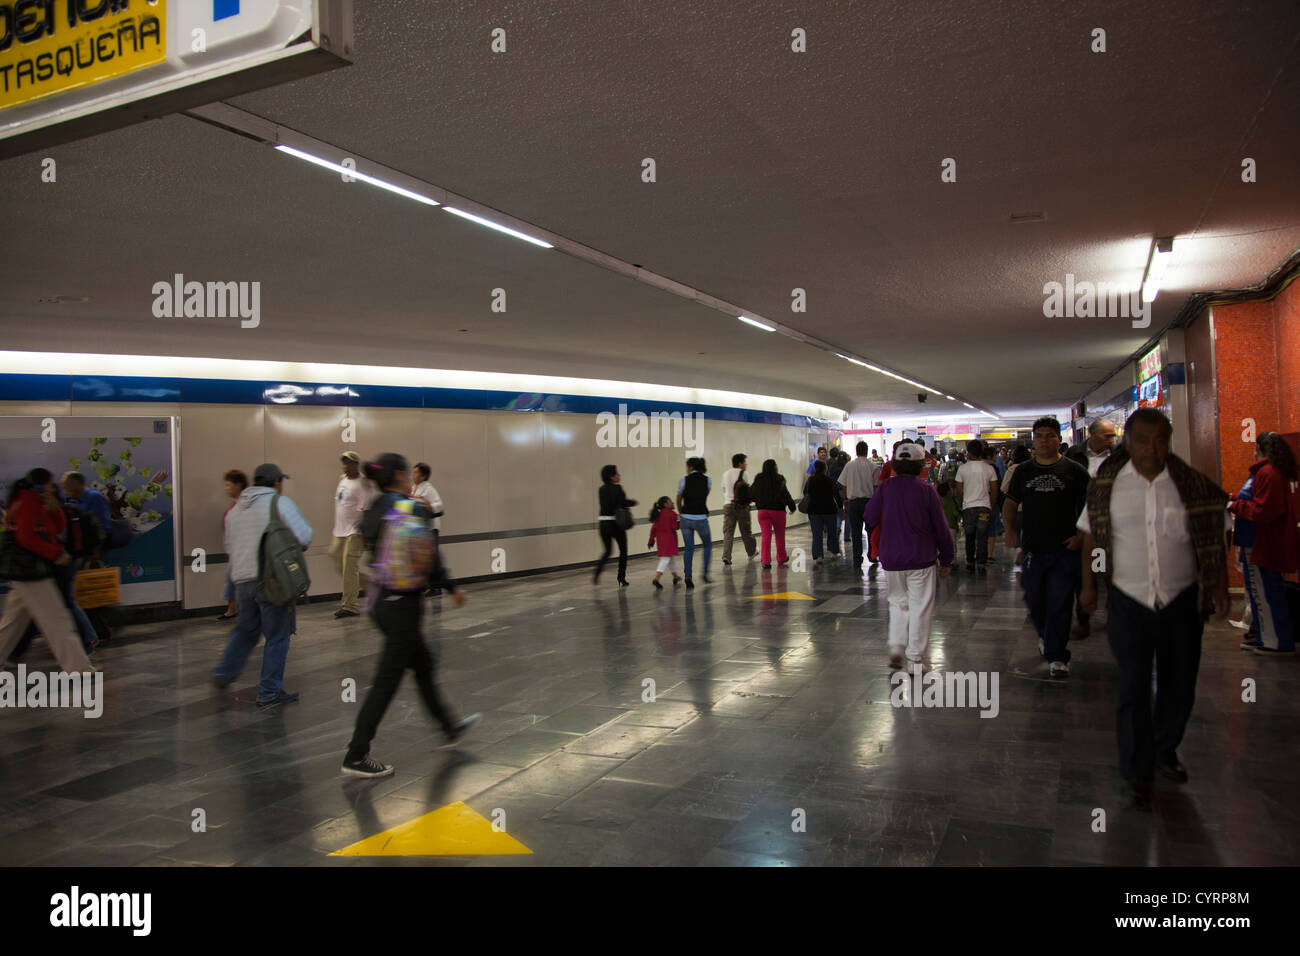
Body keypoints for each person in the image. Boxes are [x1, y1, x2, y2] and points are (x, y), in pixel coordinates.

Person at [1078, 409, 1229, 805]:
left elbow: (1212, 536)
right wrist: (1090, 586)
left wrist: (1220, 587)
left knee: (1180, 683)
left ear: (1169, 440)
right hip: (1129, 599)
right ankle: (1135, 766)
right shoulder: (1106, 486)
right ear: (1128, 441)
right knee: (1133, 684)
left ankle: (1165, 748)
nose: (1152, 448)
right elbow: (1092, 538)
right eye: (1143, 440)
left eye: (1160, 440)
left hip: (1182, 600)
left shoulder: (1190, 485)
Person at [341, 453, 480, 777]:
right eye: (406, 473)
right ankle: (356, 754)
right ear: (401, 476)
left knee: (423, 665)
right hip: (404, 606)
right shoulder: (410, 508)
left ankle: (450, 727)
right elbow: (428, 554)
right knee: (385, 683)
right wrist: (451, 587)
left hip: (381, 603)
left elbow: (369, 541)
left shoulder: (375, 507)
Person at [213, 463, 312, 707]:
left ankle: (224, 673)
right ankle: (269, 691)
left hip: (242, 582)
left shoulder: (236, 509)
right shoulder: (279, 503)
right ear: (277, 482)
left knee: (246, 631)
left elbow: (229, 547)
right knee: (278, 636)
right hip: (272, 581)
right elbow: (305, 536)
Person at [1002, 418, 1090, 678]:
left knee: (1060, 601)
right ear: (1033, 440)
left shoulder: (1074, 471)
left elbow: (1092, 506)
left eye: (1050, 436)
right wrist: (1009, 530)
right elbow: (1010, 503)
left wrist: (1081, 536)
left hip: (1065, 548)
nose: (1044, 441)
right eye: (1039, 436)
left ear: (1059, 439)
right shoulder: (1024, 471)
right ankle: (1047, 637)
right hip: (1033, 549)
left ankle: (1057, 655)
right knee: (1035, 600)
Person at [864, 443, 954, 668]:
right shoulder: (926, 490)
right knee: (920, 606)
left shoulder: (885, 488)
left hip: (892, 558)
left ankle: (896, 647)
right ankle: (914, 658)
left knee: (897, 603)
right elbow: (941, 527)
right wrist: (947, 558)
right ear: (919, 464)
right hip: (920, 558)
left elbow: (870, 516)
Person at [0, 469, 96, 673]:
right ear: (39, 484)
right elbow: (26, 538)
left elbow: (57, 529)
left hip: (29, 571)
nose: (53, 487)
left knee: (12, 623)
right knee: (56, 619)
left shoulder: (34, 502)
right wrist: (55, 553)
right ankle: (78, 668)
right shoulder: (27, 504)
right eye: (49, 483)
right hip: (32, 571)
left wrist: (54, 508)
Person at [1228, 432, 1299, 655]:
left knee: (1265, 592)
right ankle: (1265, 636)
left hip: (1262, 540)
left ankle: (1275, 641)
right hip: (1260, 540)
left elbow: (1263, 510)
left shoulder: (1268, 473)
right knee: (1261, 591)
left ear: (1259, 447)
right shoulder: (1273, 471)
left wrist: (1235, 506)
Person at [330, 451, 371, 619]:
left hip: (355, 532)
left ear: (356, 465)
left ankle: (350, 605)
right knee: (337, 560)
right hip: (339, 531)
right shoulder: (342, 479)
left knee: (349, 567)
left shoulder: (363, 484)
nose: (346, 466)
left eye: (349, 463)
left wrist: (365, 536)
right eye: (344, 463)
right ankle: (374, 587)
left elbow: (366, 511)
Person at [955, 439, 1000, 573]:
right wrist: (990, 504)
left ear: (968, 453)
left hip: (968, 507)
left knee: (969, 535)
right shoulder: (989, 468)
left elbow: (959, 490)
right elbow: (994, 489)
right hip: (984, 506)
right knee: (982, 536)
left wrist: (963, 502)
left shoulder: (962, 468)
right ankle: (981, 563)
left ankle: (969, 562)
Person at [838, 441, 878, 568]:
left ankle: (857, 557)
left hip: (853, 503)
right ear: (867, 451)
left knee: (855, 532)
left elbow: (843, 484)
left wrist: (846, 498)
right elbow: (876, 486)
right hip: (869, 503)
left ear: (856, 451)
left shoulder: (849, 466)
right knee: (871, 530)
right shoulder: (873, 466)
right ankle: (872, 555)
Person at [595, 464, 636, 586]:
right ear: (612, 477)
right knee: (623, 550)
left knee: (607, 551)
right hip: (616, 524)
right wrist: (633, 502)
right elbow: (622, 503)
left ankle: (597, 573)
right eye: (617, 474)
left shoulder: (601, 489)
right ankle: (621, 577)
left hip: (603, 524)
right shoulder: (618, 488)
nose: (619, 476)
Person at [752, 458, 797, 569]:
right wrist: (792, 506)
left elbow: (752, 493)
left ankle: (765, 561)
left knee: (765, 536)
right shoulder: (779, 478)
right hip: (778, 512)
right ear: (774, 467)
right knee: (779, 536)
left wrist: (759, 502)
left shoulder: (759, 478)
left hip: (762, 512)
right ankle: (781, 557)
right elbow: (786, 494)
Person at [216, 469, 247, 622]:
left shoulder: (243, 505)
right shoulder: (236, 504)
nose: (226, 488)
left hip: (241, 552)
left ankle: (234, 609)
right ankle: (232, 609)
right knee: (231, 580)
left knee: (234, 581)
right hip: (236, 552)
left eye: (229, 485)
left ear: (238, 485)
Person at [676, 457, 712, 588]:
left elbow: (679, 498)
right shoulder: (708, 480)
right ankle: (705, 573)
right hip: (701, 518)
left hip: (686, 518)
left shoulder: (683, 480)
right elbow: (704, 496)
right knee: (707, 545)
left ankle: (688, 577)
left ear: (690, 467)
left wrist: (681, 512)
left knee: (689, 548)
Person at [720, 453, 757, 565]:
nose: (746, 464)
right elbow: (747, 490)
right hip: (741, 506)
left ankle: (726, 556)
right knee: (746, 531)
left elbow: (724, 489)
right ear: (740, 463)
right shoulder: (744, 474)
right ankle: (751, 552)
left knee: (728, 532)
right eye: (745, 462)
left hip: (728, 504)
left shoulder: (726, 473)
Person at [803, 459, 841, 565]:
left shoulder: (810, 481)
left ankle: (818, 555)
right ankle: (834, 552)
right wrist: (841, 508)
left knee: (817, 534)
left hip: (814, 510)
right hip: (829, 510)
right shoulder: (830, 480)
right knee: (832, 532)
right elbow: (836, 495)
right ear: (825, 469)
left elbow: (805, 492)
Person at [1000, 446, 1031, 569]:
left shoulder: (1012, 470)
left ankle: (1019, 549)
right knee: (1028, 533)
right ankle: (1026, 553)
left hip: (1016, 507)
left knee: (1016, 531)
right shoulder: (1032, 468)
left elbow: (1003, 488)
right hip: (1030, 508)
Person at [647, 496, 683, 589]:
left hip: (661, 542)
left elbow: (653, 529)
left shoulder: (658, 515)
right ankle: (656, 579)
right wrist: (680, 522)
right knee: (665, 560)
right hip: (669, 541)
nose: (673, 503)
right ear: (665, 504)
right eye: (670, 502)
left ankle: (675, 577)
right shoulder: (672, 514)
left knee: (671, 560)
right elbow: (675, 527)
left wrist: (651, 541)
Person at [938, 480, 961, 552]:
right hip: (951, 526)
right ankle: (952, 561)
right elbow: (955, 512)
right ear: (948, 491)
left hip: (941, 526)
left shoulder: (939, 500)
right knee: (952, 544)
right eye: (951, 488)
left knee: (943, 544)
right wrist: (960, 515)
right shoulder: (950, 500)